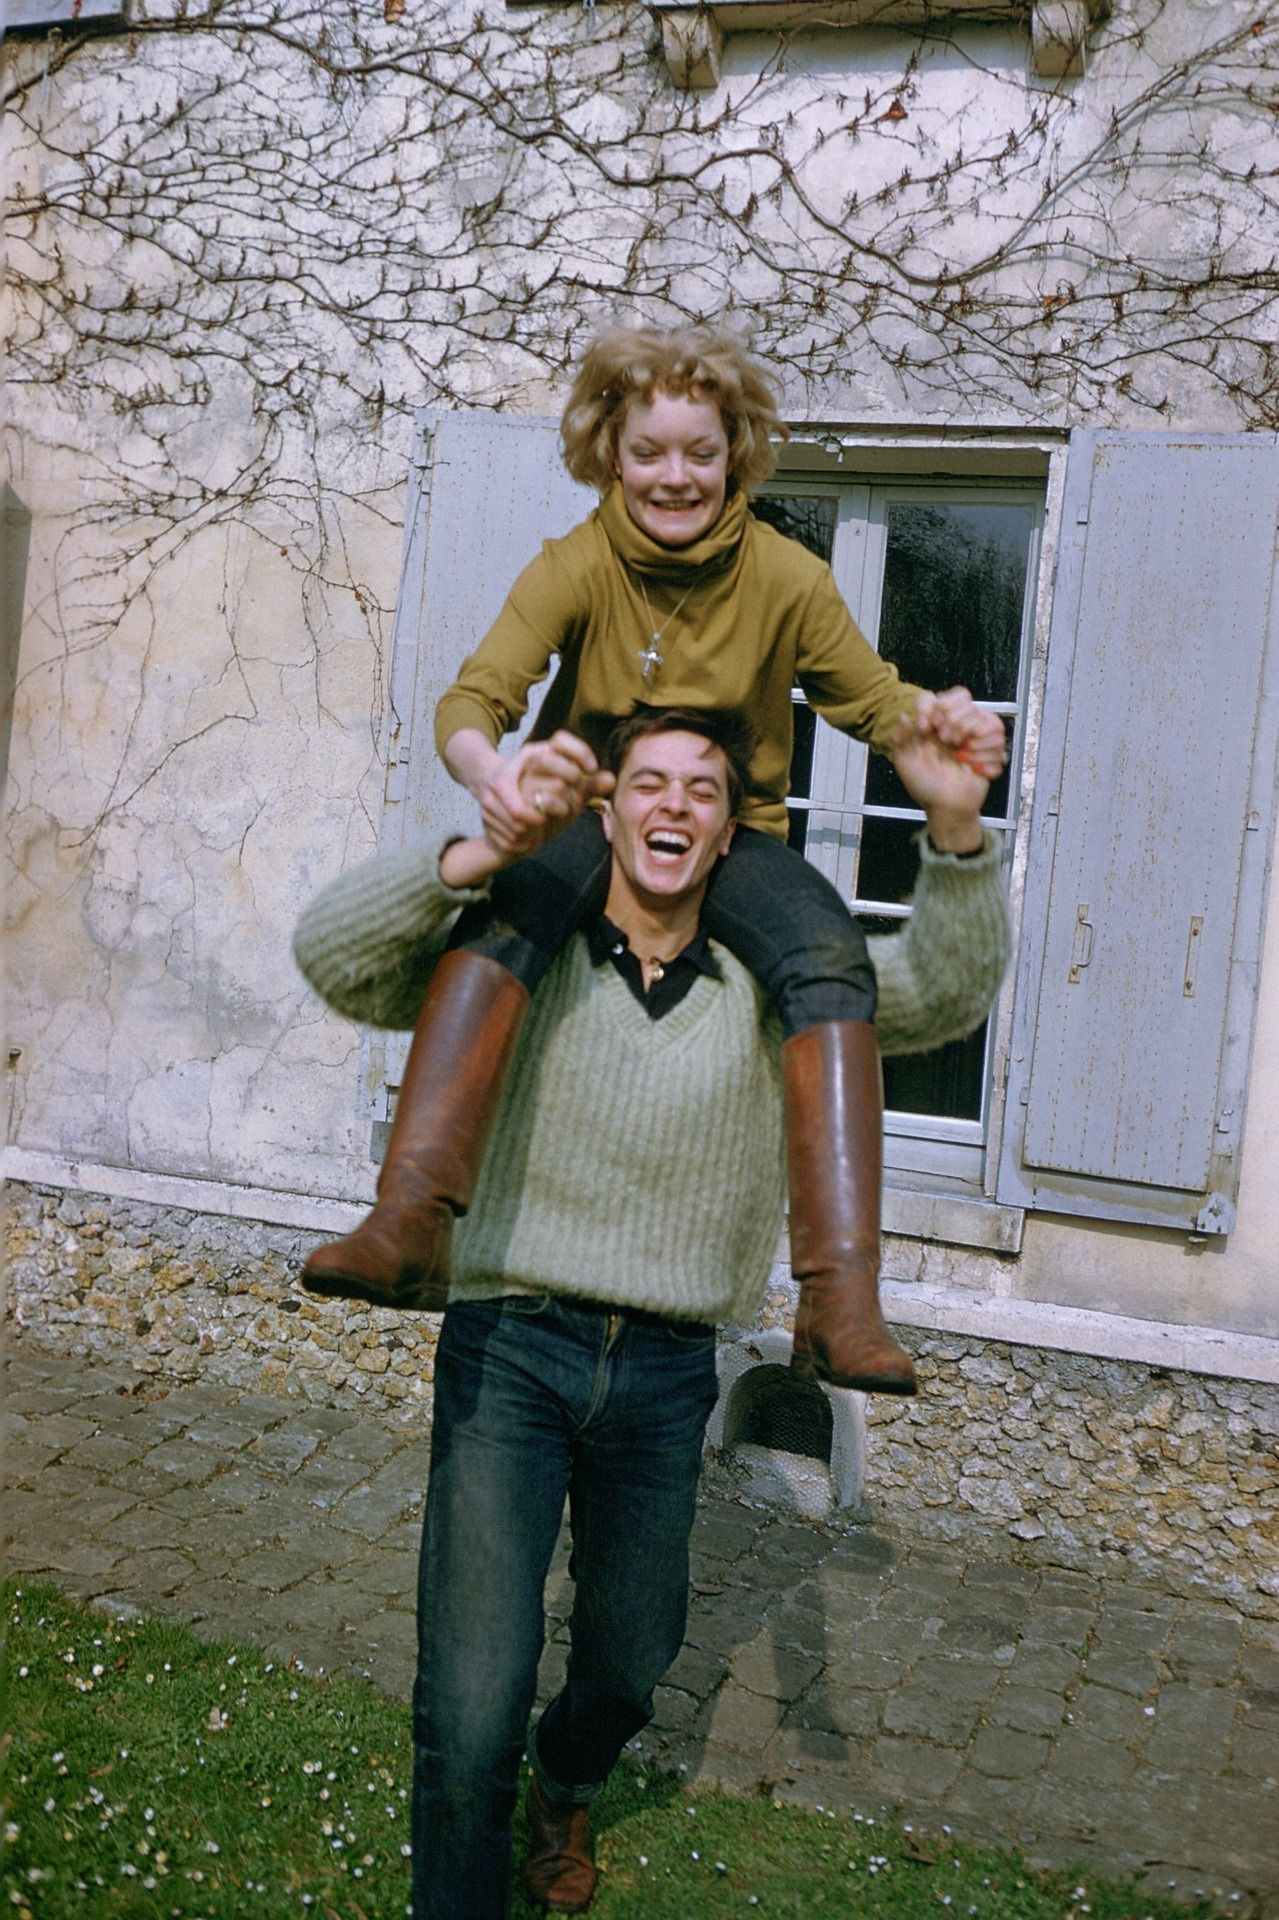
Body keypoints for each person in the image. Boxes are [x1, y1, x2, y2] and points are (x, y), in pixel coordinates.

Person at [293, 706, 1009, 1920]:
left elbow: (939, 994)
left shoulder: (774, 982)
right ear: (609, 809)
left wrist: (951, 824)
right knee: (469, 1700)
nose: (673, 804)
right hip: (510, 1347)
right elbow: (335, 956)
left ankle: (565, 1776)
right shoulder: (522, 952)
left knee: (630, 1658)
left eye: (703, 790)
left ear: (729, 833)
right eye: (650, 783)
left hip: (669, 1369)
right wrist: (476, 852)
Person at [302, 323, 1007, 1395]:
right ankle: (410, 1219)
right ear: (608, 455)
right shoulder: (577, 562)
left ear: (737, 457)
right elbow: (474, 695)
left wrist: (936, 727)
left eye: (699, 452)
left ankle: (838, 1300)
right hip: (590, 813)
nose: (673, 476)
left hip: (740, 837)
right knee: (506, 911)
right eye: (648, 453)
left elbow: (869, 700)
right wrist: (490, 771)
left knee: (830, 959)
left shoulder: (787, 576)